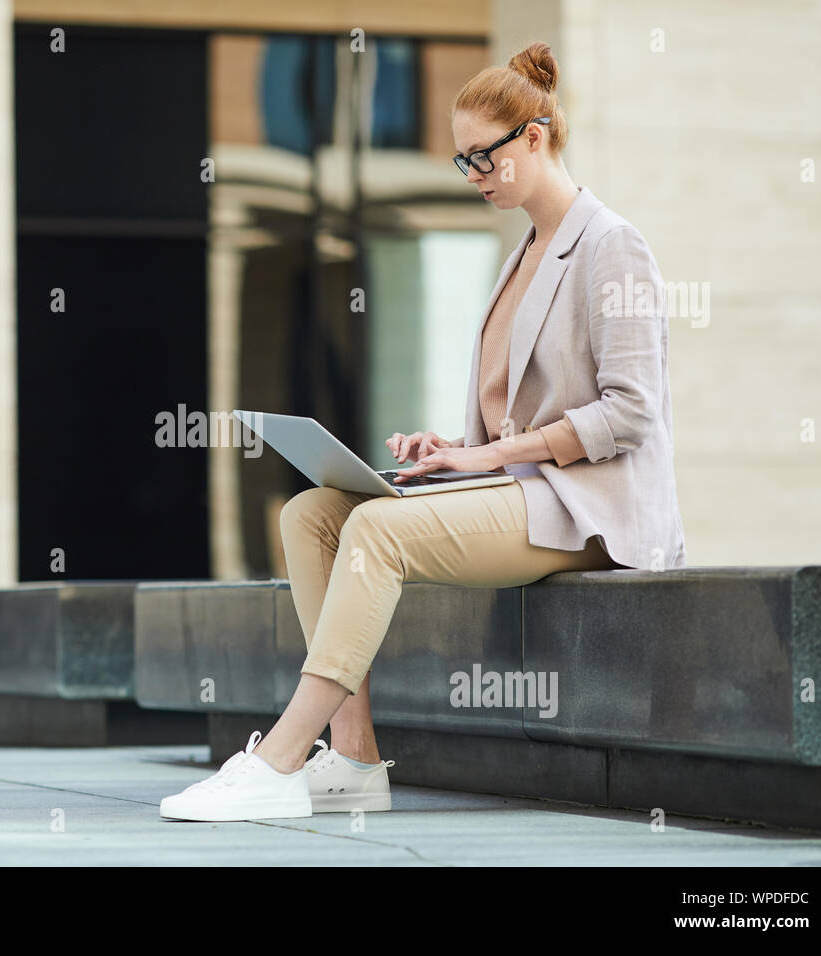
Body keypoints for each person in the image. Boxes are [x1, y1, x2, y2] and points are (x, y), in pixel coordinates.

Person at [159, 40, 686, 823]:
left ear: (534, 139)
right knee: (309, 515)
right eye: (461, 162)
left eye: (482, 158)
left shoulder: (611, 246)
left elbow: (632, 410)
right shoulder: (522, 256)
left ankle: (278, 758)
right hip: (520, 493)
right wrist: (450, 450)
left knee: (375, 530)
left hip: (587, 512)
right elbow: (517, 415)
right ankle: (356, 756)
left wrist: (494, 453)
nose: (472, 176)